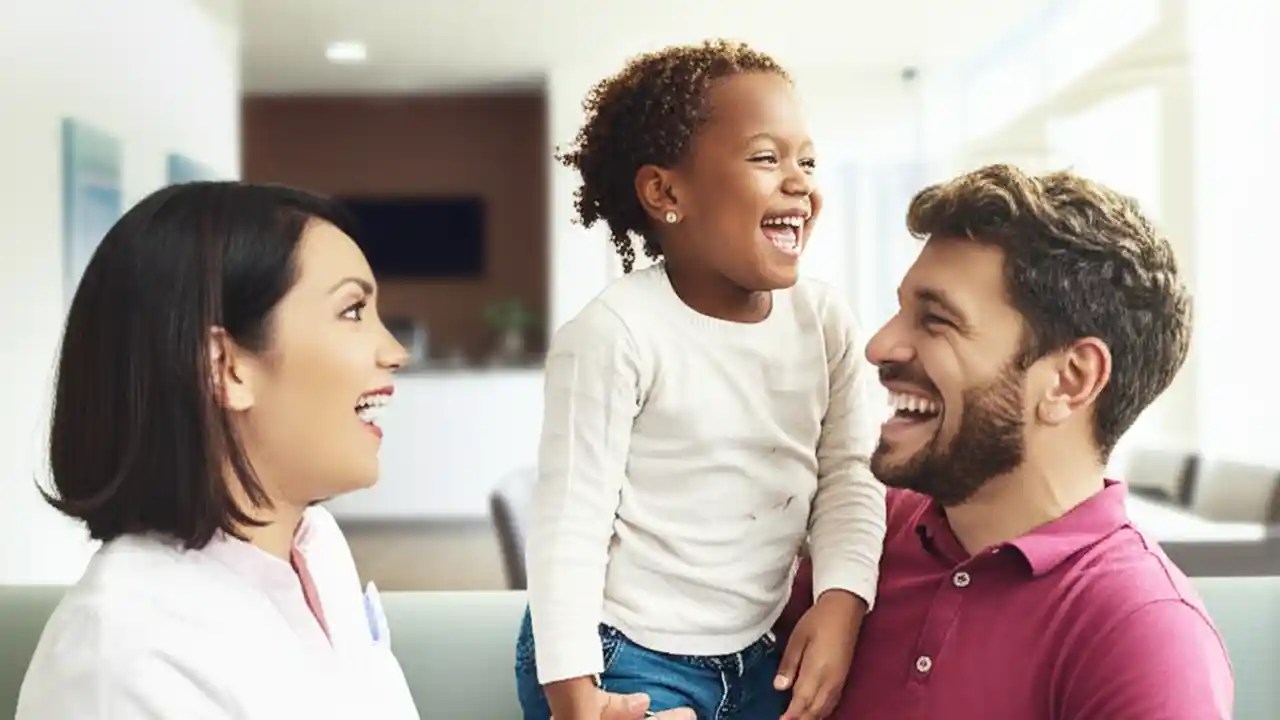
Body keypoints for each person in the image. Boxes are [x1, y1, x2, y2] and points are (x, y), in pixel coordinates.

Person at [15, 181, 684, 720]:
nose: (393, 352)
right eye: (352, 311)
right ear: (226, 366)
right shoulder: (125, 663)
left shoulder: (314, 546)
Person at [516, 40, 887, 720]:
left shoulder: (824, 320)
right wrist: (575, 695)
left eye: (807, 160)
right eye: (766, 157)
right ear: (666, 192)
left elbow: (849, 476)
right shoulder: (614, 334)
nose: (800, 181)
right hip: (618, 654)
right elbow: (569, 524)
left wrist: (842, 603)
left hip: (755, 654)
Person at [780, 164, 1234, 718]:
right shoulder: (859, 535)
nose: (880, 346)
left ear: (1071, 379)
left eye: (937, 320)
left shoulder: (1144, 638)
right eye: (901, 310)